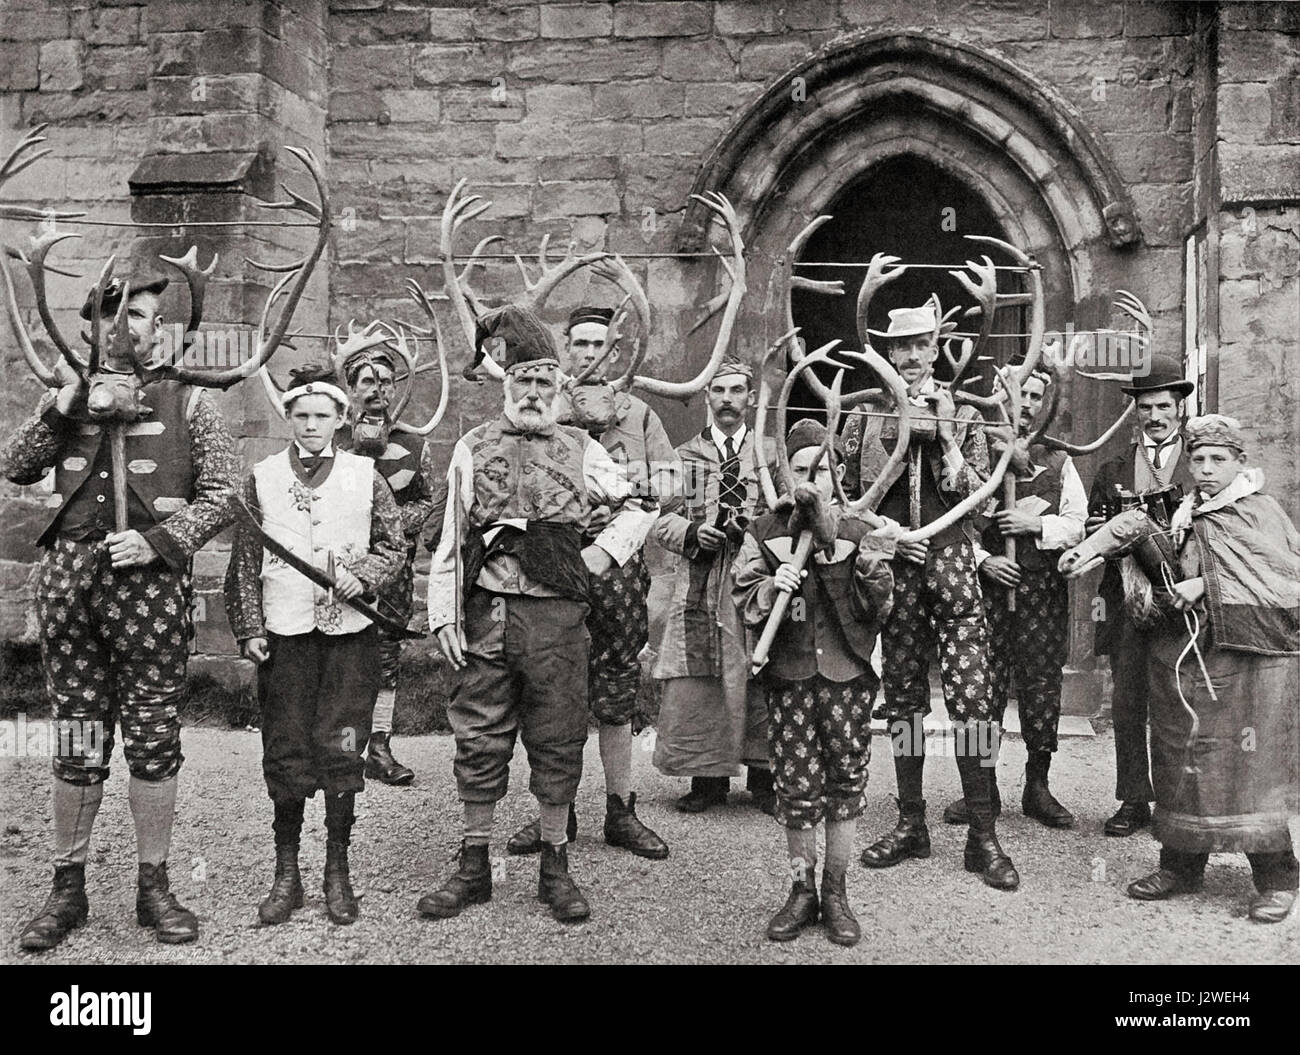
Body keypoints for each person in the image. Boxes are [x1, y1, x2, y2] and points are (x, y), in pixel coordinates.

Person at [6, 273, 239, 951]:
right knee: (77, 738)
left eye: (145, 316)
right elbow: (17, 465)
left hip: (149, 590)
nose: (137, 325)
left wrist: (160, 541)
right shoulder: (69, 392)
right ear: (96, 327)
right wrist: (61, 405)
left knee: (152, 737)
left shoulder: (190, 398)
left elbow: (224, 493)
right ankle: (67, 888)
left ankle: (154, 887)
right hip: (71, 584)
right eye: (123, 315)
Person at [419, 305, 658, 924]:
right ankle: (473, 866)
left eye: (543, 385)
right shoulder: (473, 447)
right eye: (522, 382)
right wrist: (443, 614)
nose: (532, 394)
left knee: (557, 739)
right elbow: (450, 535)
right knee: (478, 734)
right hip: (488, 616)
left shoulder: (581, 448)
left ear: (559, 392)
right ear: (506, 385)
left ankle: (555, 866)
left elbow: (646, 504)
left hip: (557, 624)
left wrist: (603, 555)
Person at [844, 303, 1018, 891]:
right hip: (900, 577)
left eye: (922, 345)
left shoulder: (967, 413)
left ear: (937, 345)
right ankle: (911, 822)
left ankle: (983, 834)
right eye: (903, 347)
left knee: (971, 703)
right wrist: (889, 542)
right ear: (890, 352)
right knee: (905, 702)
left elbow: (982, 500)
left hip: (953, 571)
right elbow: (848, 502)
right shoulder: (866, 417)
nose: (912, 356)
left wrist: (945, 437)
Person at [224, 364, 405, 926]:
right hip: (286, 637)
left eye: (321, 416)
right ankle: (287, 874)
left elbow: (394, 544)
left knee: (342, 746)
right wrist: (251, 627)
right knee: (286, 747)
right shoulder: (262, 476)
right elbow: (245, 559)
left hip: (348, 639)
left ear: (340, 419)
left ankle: (337, 870)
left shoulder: (363, 473)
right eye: (300, 416)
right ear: (288, 418)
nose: (310, 425)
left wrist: (366, 574)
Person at [506, 306, 675, 860]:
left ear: (615, 351)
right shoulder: (540, 404)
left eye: (600, 344)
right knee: (552, 684)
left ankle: (621, 811)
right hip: (554, 564)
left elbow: (673, 482)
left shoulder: (638, 412)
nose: (589, 353)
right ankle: (557, 810)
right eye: (579, 344)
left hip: (616, 568)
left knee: (617, 688)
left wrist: (625, 486)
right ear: (565, 350)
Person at [1125, 414, 1299, 923]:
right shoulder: (1184, 512)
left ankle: (1276, 875)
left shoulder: (1258, 511)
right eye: (1198, 459)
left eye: (1218, 459)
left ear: (1240, 463)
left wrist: (1205, 586)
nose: (1205, 469)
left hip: (1246, 660)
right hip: (1186, 654)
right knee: (1184, 750)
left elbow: (1284, 577)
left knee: (1247, 761)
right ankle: (1181, 863)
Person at [732, 421, 899, 946]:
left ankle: (836, 892)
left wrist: (873, 570)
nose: (811, 480)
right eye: (800, 470)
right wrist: (768, 587)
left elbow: (878, 609)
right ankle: (801, 890)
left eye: (820, 470)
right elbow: (743, 590)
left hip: (845, 678)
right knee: (797, 786)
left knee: (846, 783)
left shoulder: (858, 530)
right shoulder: (764, 531)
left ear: (837, 476)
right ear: (785, 476)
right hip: (789, 677)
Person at [945, 368, 1085, 828]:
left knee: (1041, 686)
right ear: (996, 396)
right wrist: (985, 559)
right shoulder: (973, 453)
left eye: (1032, 394)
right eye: (1013, 392)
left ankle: (1037, 786)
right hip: (986, 593)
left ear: (1045, 403)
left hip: (1041, 593)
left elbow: (1078, 525)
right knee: (979, 690)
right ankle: (980, 789)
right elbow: (952, 523)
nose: (1023, 402)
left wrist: (1036, 526)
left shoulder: (1060, 461)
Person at [651, 359, 775, 814]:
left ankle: (766, 780)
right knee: (699, 678)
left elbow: (786, 512)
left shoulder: (768, 455)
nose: (727, 399)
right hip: (700, 583)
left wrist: (761, 532)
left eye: (736, 390)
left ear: (750, 399)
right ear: (708, 399)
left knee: (762, 671)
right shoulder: (683, 457)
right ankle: (707, 780)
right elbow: (658, 516)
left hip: (754, 581)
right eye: (718, 391)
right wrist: (690, 533)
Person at [1085, 356, 1194, 837]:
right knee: (1128, 702)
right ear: (1136, 412)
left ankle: (1179, 801)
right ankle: (1133, 800)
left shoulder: (1200, 462)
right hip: (1127, 599)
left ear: (1180, 408)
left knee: (1177, 702)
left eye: (1164, 406)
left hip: (1182, 598)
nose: (1155, 416)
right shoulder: (1111, 469)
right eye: (1146, 407)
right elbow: (1093, 533)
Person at [334, 337, 436, 786]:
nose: (378, 390)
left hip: (393, 573)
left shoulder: (414, 445)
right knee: (340, 657)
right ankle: (341, 749)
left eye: (387, 382)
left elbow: (430, 504)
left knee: (386, 659)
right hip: (339, 573)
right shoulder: (332, 441)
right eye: (367, 382)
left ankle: (379, 748)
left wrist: (388, 521)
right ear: (350, 389)